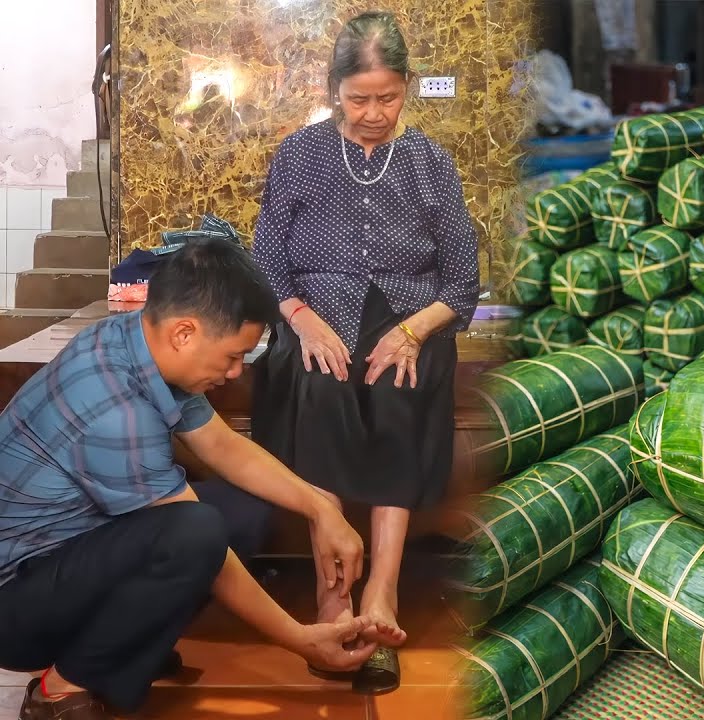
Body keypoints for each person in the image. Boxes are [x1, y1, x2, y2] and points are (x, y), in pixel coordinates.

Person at [0, 238, 387, 720]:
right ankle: (60, 688)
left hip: (68, 552)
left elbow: (222, 446)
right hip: (15, 602)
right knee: (197, 532)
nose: (234, 372)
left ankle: (125, 644)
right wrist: (303, 641)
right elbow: (201, 546)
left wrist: (320, 507)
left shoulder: (138, 341)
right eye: (231, 356)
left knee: (243, 511)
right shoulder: (112, 404)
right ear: (185, 333)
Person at [250, 10, 480, 695]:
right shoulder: (300, 154)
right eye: (359, 98)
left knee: (398, 387)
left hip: (409, 318)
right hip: (314, 312)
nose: (374, 112)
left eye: (388, 96)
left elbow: (462, 284)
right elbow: (265, 262)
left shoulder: (432, 165)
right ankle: (333, 596)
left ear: (406, 86)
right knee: (317, 385)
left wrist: (413, 330)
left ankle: (382, 594)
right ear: (334, 91)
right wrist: (300, 318)